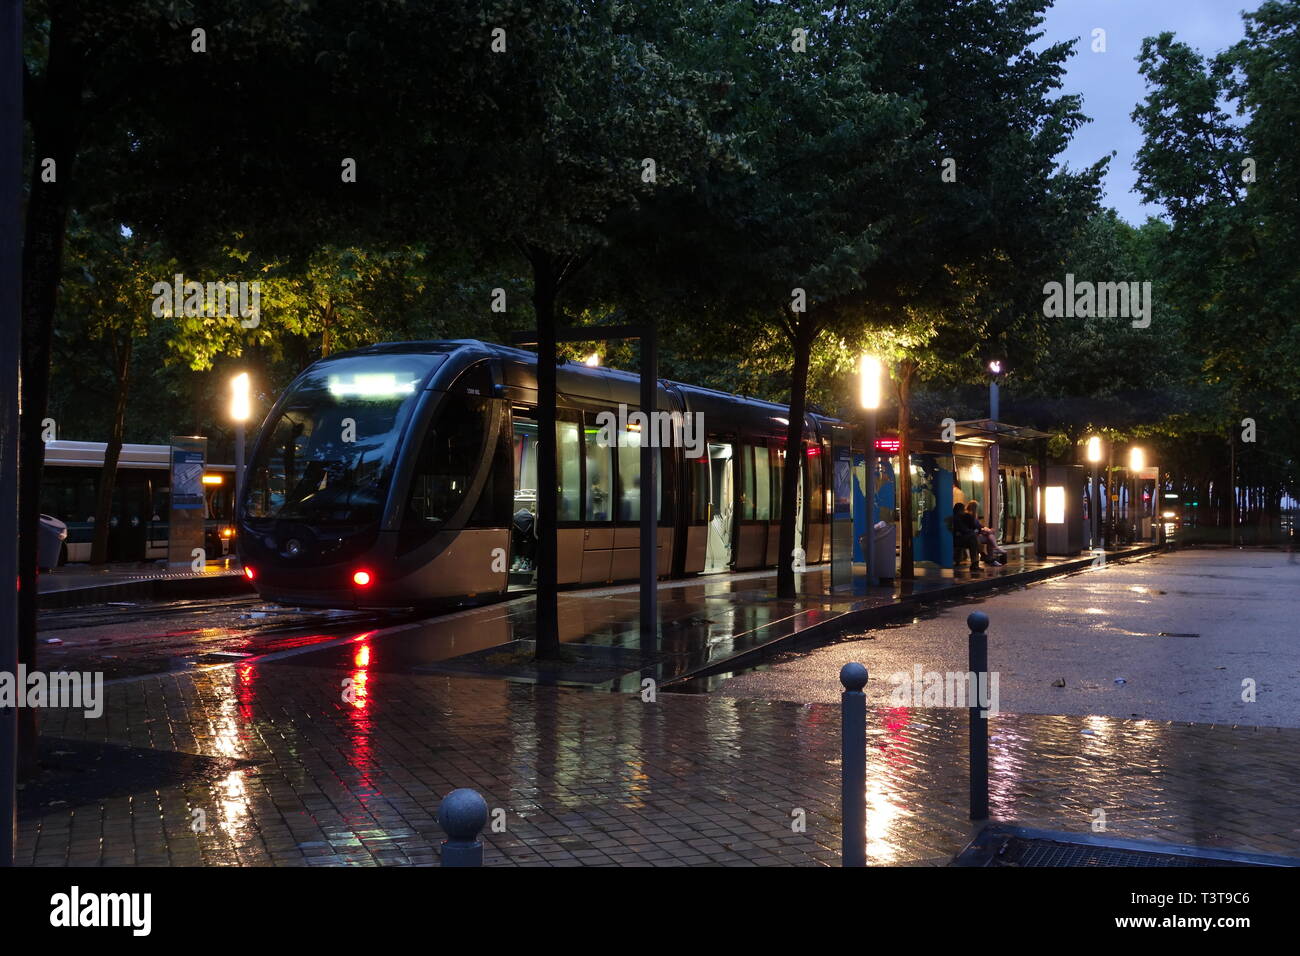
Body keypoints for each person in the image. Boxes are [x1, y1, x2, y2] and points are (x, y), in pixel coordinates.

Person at [951, 502, 980, 571]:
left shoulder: (960, 517)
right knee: (973, 539)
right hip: (955, 539)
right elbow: (962, 529)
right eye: (963, 510)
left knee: (973, 539)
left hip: (957, 538)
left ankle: (975, 562)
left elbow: (966, 528)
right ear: (960, 510)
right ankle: (975, 563)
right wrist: (972, 532)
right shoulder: (956, 518)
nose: (964, 511)